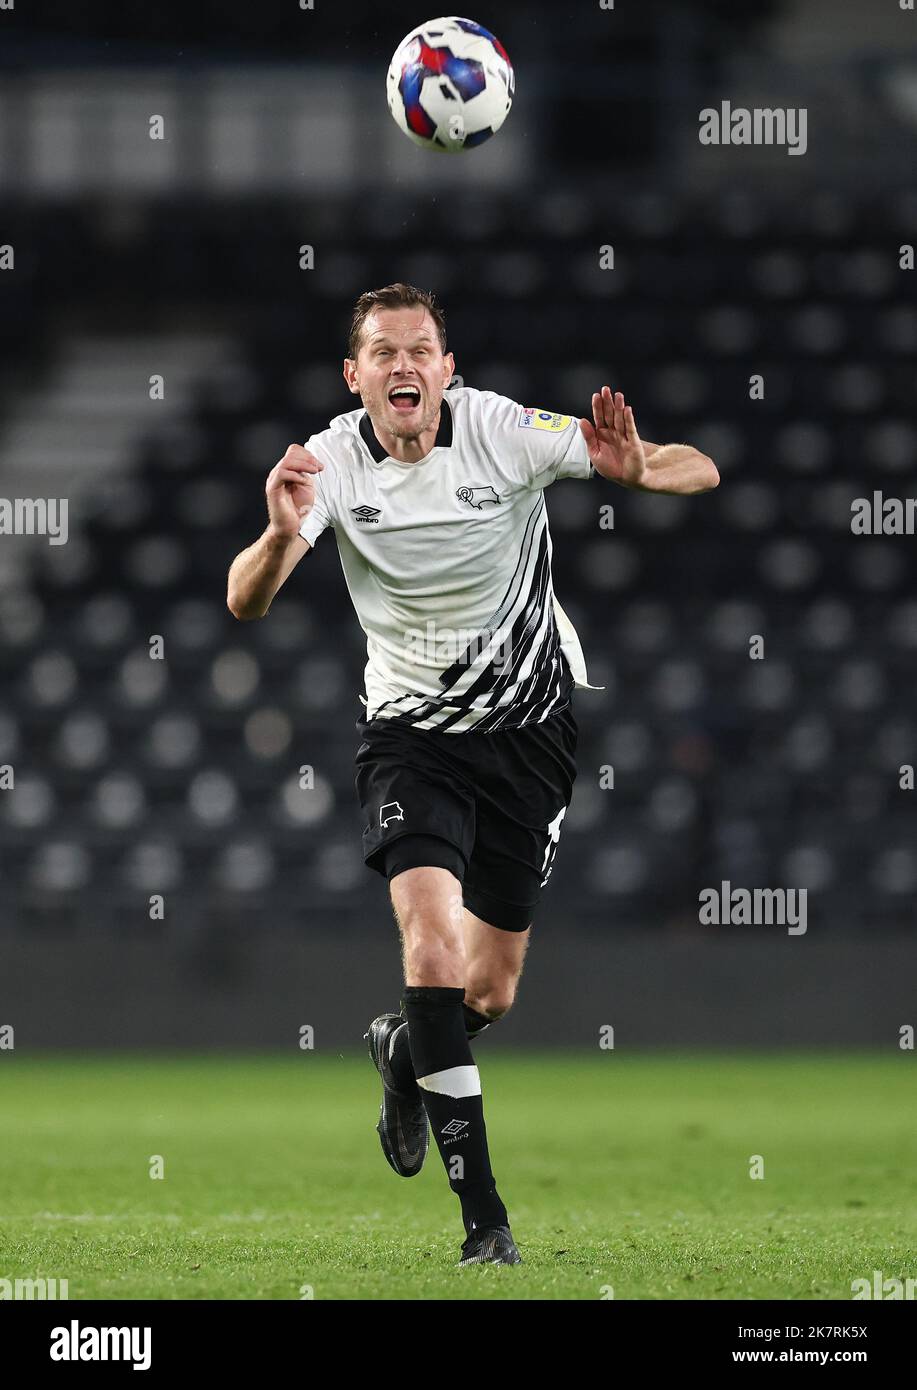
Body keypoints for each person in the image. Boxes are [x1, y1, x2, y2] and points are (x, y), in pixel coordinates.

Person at [227, 282, 719, 1266]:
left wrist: (640, 466)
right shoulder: (326, 461)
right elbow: (246, 599)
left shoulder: (503, 430)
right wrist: (282, 532)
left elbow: (696, 469)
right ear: (353, 373)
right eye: (383, 352)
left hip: (528, 742)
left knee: (485, 995)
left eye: (420, 350)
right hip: (408, 741)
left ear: (446, 368)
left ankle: (406, 1056)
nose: (403, 366)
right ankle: (484, 1226)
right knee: (433, 953)